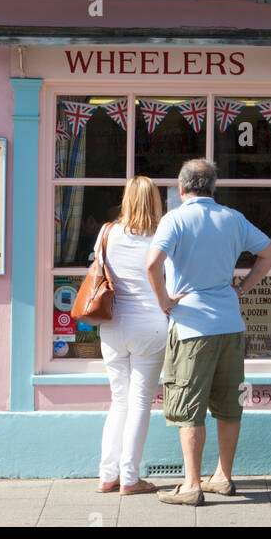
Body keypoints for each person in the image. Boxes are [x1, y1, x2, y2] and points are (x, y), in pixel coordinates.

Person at [147, 158, 271, 506]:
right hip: (230, 324)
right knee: (229, 405)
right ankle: (222, 476)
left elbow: (152, 263)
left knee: (190, 406)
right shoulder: (232, 218)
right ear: (213, 187)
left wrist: (164, 299)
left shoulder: (174, 219)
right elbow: (270, 253)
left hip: (191, 326)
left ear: (181, 187)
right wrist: (243, 288)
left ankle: (191, 484)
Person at [95, 176, 169, 496]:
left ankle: (106, 474)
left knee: (118, 401)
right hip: (151, 324)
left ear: (126, 200)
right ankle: (129, 477)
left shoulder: (107, 232)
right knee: (140, 403)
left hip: (113, 323)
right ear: (155, 201)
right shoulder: (162, 235)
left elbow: (99, 270)